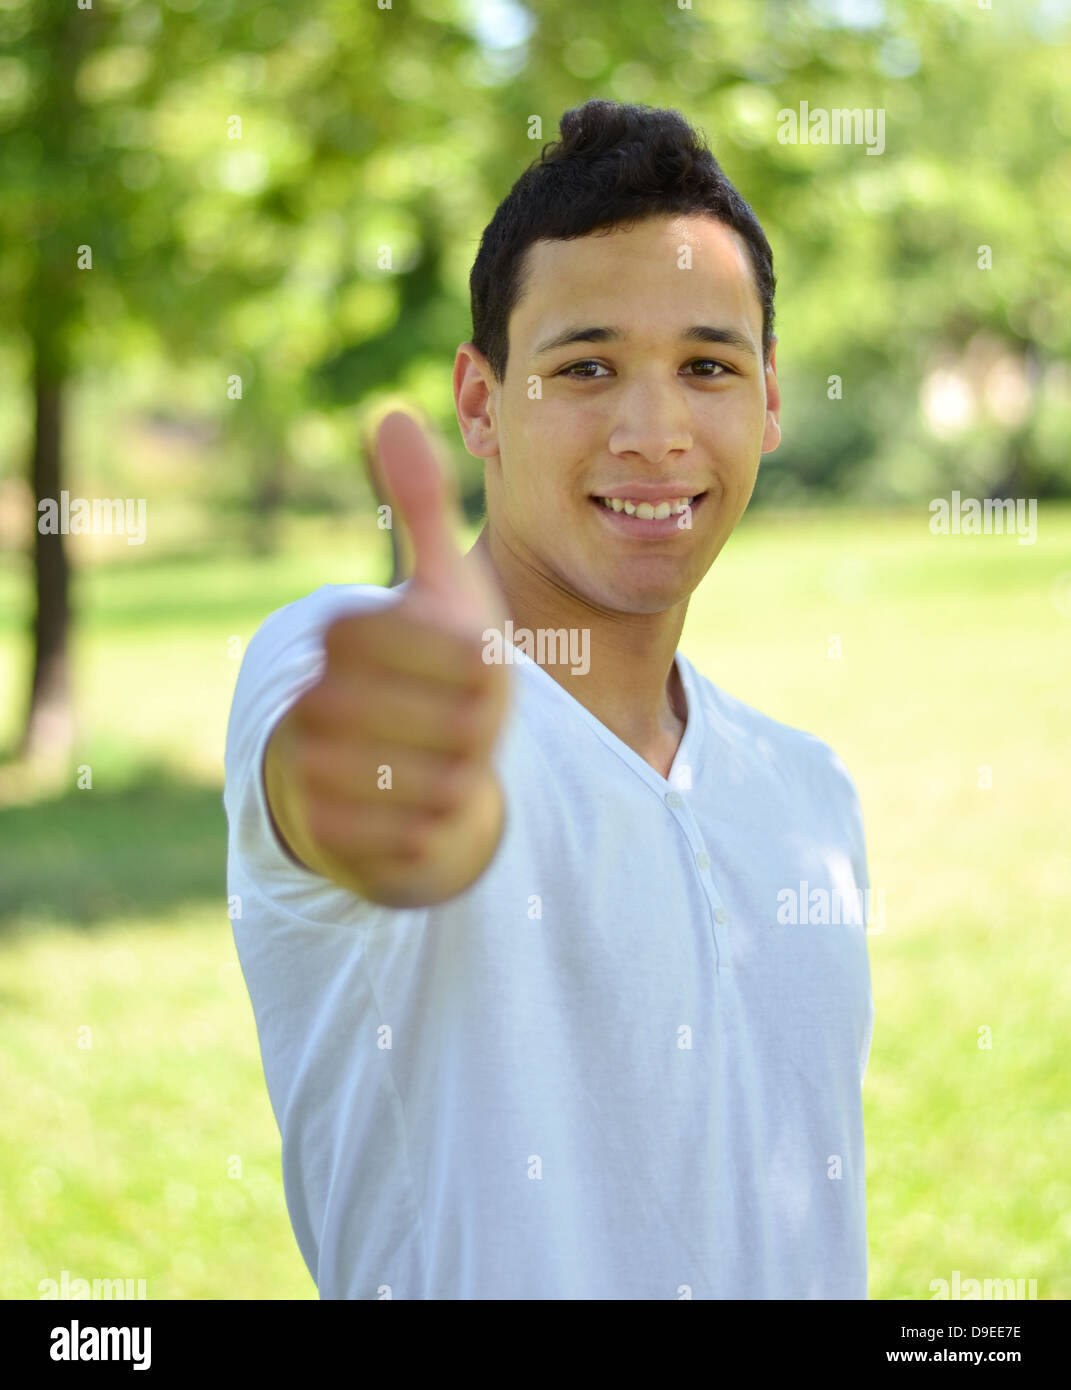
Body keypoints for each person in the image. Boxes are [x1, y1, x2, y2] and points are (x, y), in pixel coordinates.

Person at [224, 98, 874, 1300]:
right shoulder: (344, 658)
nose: (654, 431)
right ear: (481, 403)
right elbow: (370, 796)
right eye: (585, 368)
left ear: (770, 402)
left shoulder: (810, 799)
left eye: (707, 367)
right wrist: (395, 780)